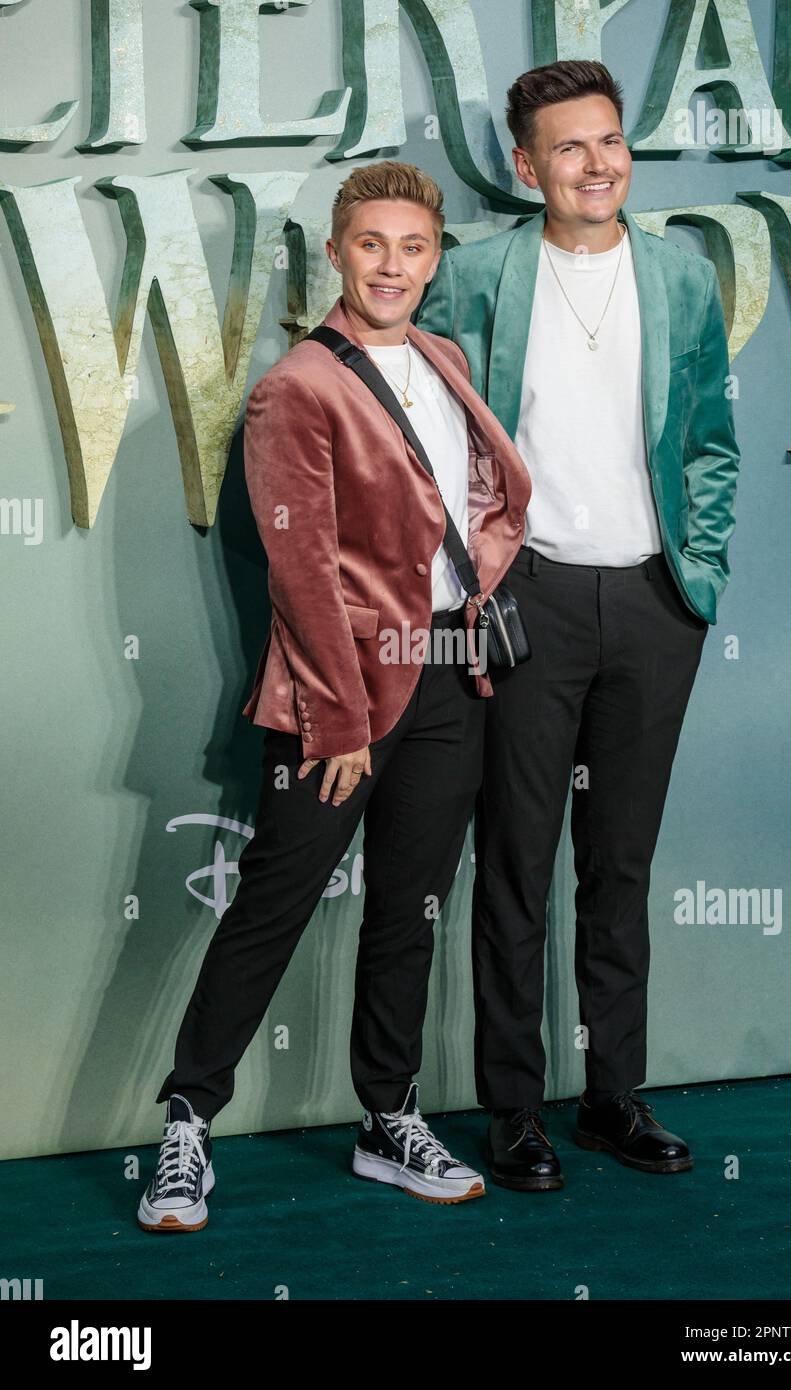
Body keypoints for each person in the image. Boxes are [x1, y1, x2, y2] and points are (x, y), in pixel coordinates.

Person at [138, 161, 531, 1230]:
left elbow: (475, 505)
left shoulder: (444, 360)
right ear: (336, 253)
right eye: (371, 245)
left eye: (412, 246)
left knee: (407, 910)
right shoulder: (294, 388)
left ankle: (386, 1116)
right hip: (342, 694)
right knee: (271, 904)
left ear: (434, 254)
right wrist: (342, 715)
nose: (392, 265)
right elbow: (298, 570)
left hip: (450, 679)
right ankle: (185, 1126)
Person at [415, 59, 740, 1188]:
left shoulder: (681, 277)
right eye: (568, 147)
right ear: (523, 167)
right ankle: (513, 1109)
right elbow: (433, 441)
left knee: (620, 866)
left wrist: (697, 573)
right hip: (526, 600)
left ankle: (613, 1096)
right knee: (513, 866)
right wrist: (470, 585)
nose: (596, 163)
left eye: (608, 141)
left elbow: (705, 439)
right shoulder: (475, 277)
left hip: (652, 603)